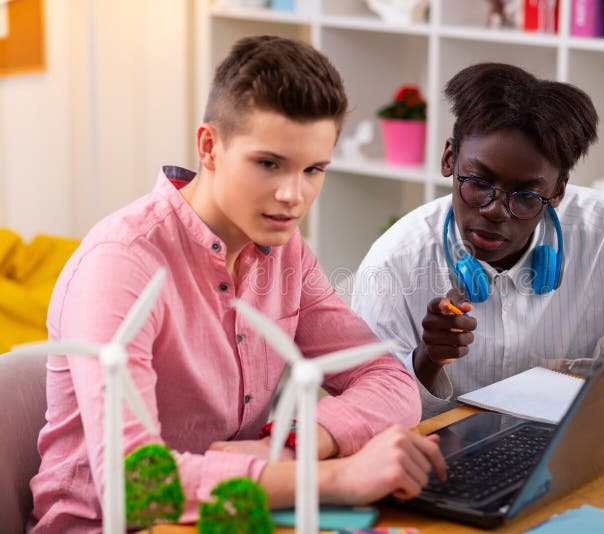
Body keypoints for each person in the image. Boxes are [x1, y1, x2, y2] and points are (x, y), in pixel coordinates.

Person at [29, 35, 445, 531]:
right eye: (269, 164)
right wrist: (333, 478)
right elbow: (134, 484)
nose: (293, 195)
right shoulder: (121, 263)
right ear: (209, 146)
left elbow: (390, 381)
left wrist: (293, 443)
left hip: (239, 516)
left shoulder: (285, 251)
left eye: (313, 169)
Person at [351, 62, 604, 450]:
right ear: (450, 159)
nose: (495, 211)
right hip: (448, 465)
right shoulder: (397, 262)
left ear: (558, 191)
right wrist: (427, 360)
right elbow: (364, 411)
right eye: (478, 184)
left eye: (525, 197)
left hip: (576, 456)